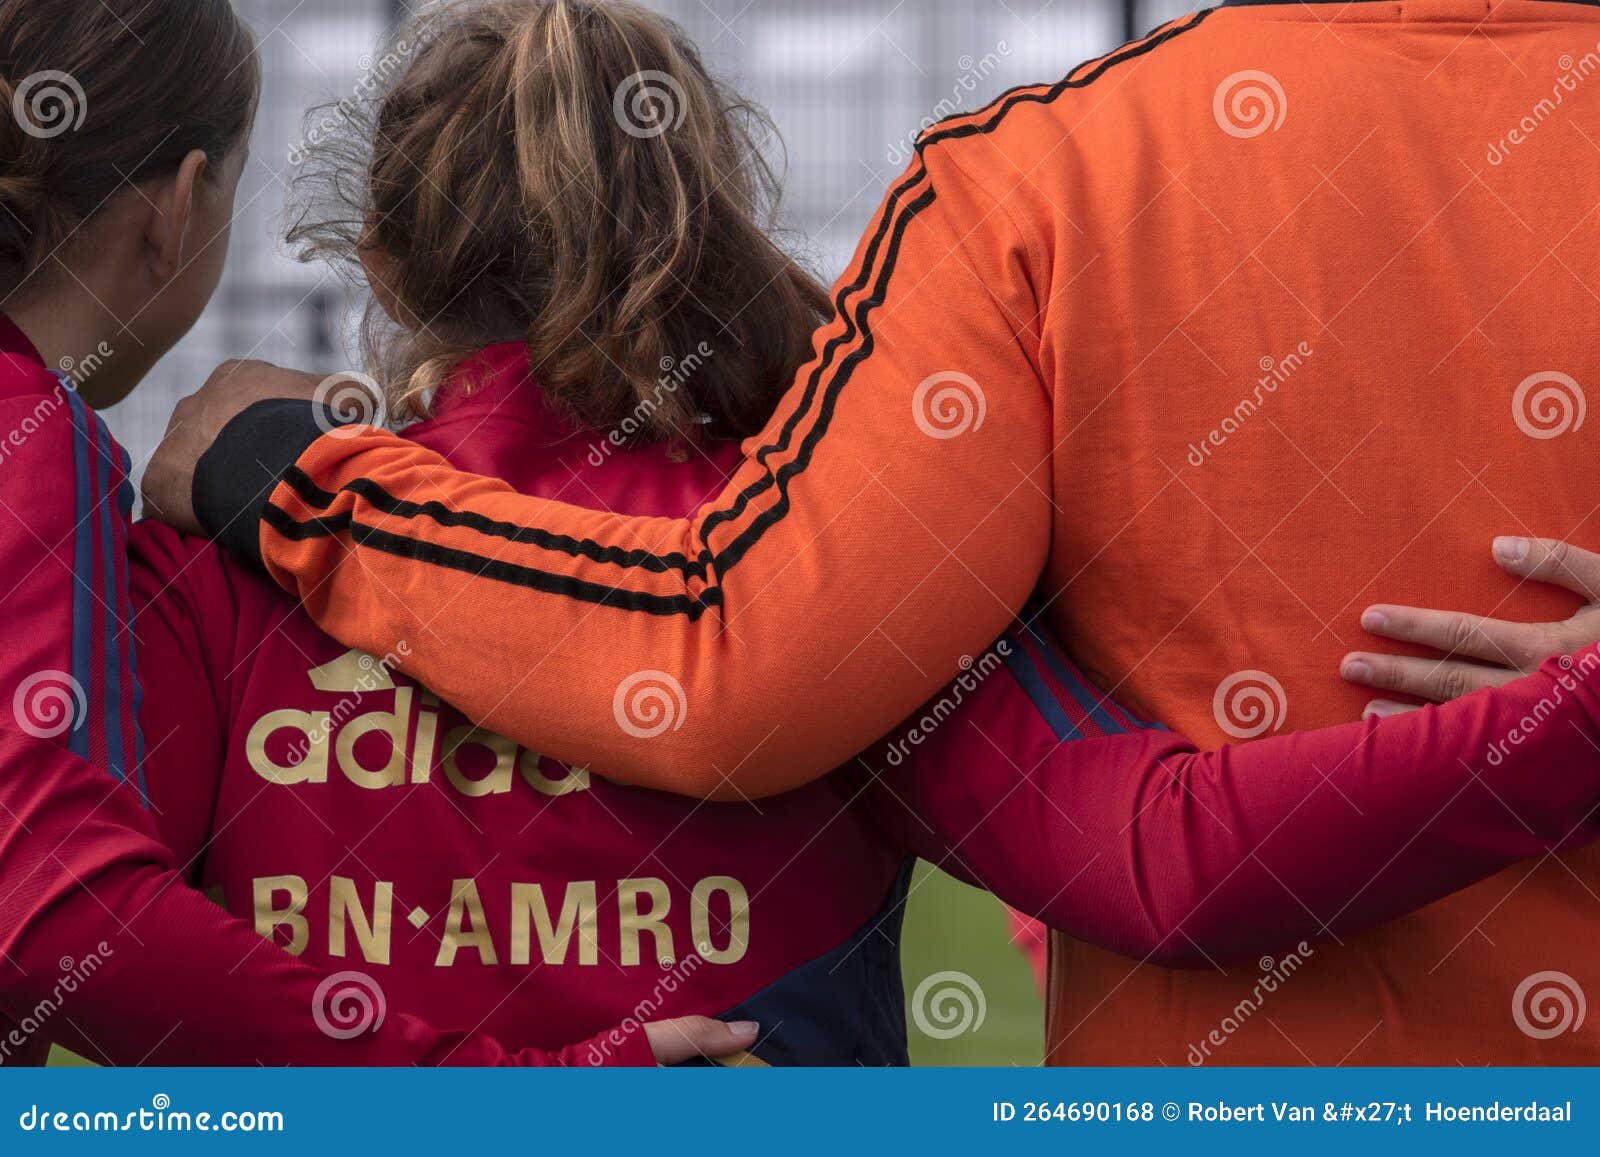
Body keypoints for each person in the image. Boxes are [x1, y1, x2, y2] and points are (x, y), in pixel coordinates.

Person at [98, 0, 1600, 1065]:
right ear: (704, 211)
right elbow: (1173, 860)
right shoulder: (858, 594)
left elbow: (71, 944)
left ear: (374, 253)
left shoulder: (202, 561)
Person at [0, 0, 740, 1068]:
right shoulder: (799, 539)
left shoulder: (186, 565)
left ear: (380, 265)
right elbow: (61, 916)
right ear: (173, 208)